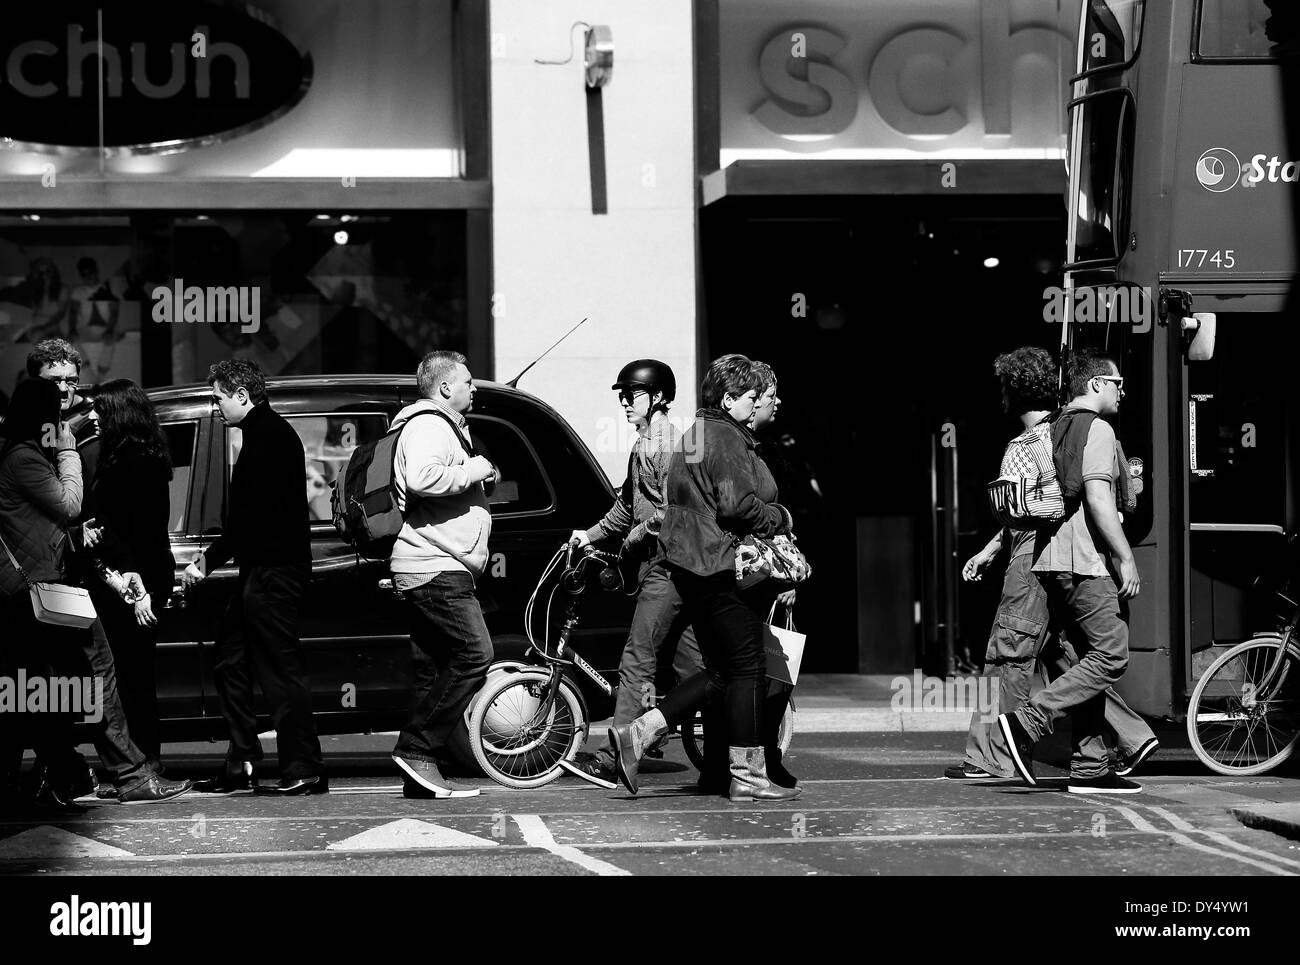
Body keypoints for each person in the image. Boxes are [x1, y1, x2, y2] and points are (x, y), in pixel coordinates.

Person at [947, 347, 1157, 781]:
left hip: (1039, 552)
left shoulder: (1038, 438)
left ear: (1014, 391)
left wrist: (996, 548)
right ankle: (1118, 743)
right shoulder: (1075, 427)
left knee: (1010, 651)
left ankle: (996, 754)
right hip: (1062, 553)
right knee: (1065, 652)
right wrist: (990, 549)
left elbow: (1039, 506)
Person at [609, 354, 801, 803]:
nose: (760, 404)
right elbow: (737, 508)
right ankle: (748, 777)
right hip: (718, 566)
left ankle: (639, 732)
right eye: (754, 396)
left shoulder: (696, 434)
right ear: (732, 399)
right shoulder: (723, 438)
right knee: (750, 666)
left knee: (719, 670)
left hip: (692, 566)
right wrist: (782, 516)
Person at [0, 380, 189, 812]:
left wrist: (74, 536)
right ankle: (129, 775)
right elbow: (68, 503)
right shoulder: (26, 458)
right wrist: (67, 450)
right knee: (97, 670)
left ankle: (66, 775)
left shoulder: (17, 455)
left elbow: (39, 523)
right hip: (47, 587)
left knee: (51, 686)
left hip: (42, 584)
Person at [997, 349, 1144, 794]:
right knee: (1111, 655)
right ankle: (1030, 720)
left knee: (1085, 662)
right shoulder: (1096, 428)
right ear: (1096, 384)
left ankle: (1091, 766)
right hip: (1086, 560)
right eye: (1117, 383)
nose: (1122, 391)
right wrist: (1126, 557)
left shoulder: (1054, 425)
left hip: (1050, 560)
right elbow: (1099, 499)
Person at [181, 359, 326, 795]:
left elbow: (245, 525)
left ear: (242, 396)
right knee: (229, 658)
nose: (215, 406)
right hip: (261, 572)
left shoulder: (267, 440)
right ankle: (241, 761)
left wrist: (201, 564)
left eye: (219, 398)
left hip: (273, 574)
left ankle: (305, 768)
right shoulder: (264, 435)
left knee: (280, 672)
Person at [559, 360, 705, 789]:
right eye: (621, 396)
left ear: (657, 397)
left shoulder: (666, 444)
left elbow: (671, 511)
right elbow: (628, 504)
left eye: (632, 395)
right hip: (666, 567)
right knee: (694, 668)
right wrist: (590, 535)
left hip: (668, 567)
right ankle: (725, 751)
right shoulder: (645, 442)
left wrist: (633, 538)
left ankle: (611, 757)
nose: (624, 403)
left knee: (636, 659)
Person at [387, 350, 497, 799]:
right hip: (434, 564)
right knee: (475, 654)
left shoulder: (437, 425)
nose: (474, 388)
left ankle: (422, 773)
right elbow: (424, 477)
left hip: (431, 562)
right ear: (445, 387)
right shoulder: (428, 424)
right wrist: (475, 468)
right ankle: (416, 749)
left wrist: (480, 471)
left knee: (433, 670)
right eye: (468, 381)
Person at [83, 380, 175, 773]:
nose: (91, 416)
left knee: (130, 675)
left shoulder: (133, 462)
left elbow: (139, 532)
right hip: (134, 575)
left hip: (134, 579)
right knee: (129, 673)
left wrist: (137, 588)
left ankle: (143, 761)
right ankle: (140, 760)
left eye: (98, 409)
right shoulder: (134, 454)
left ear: (117, 412)